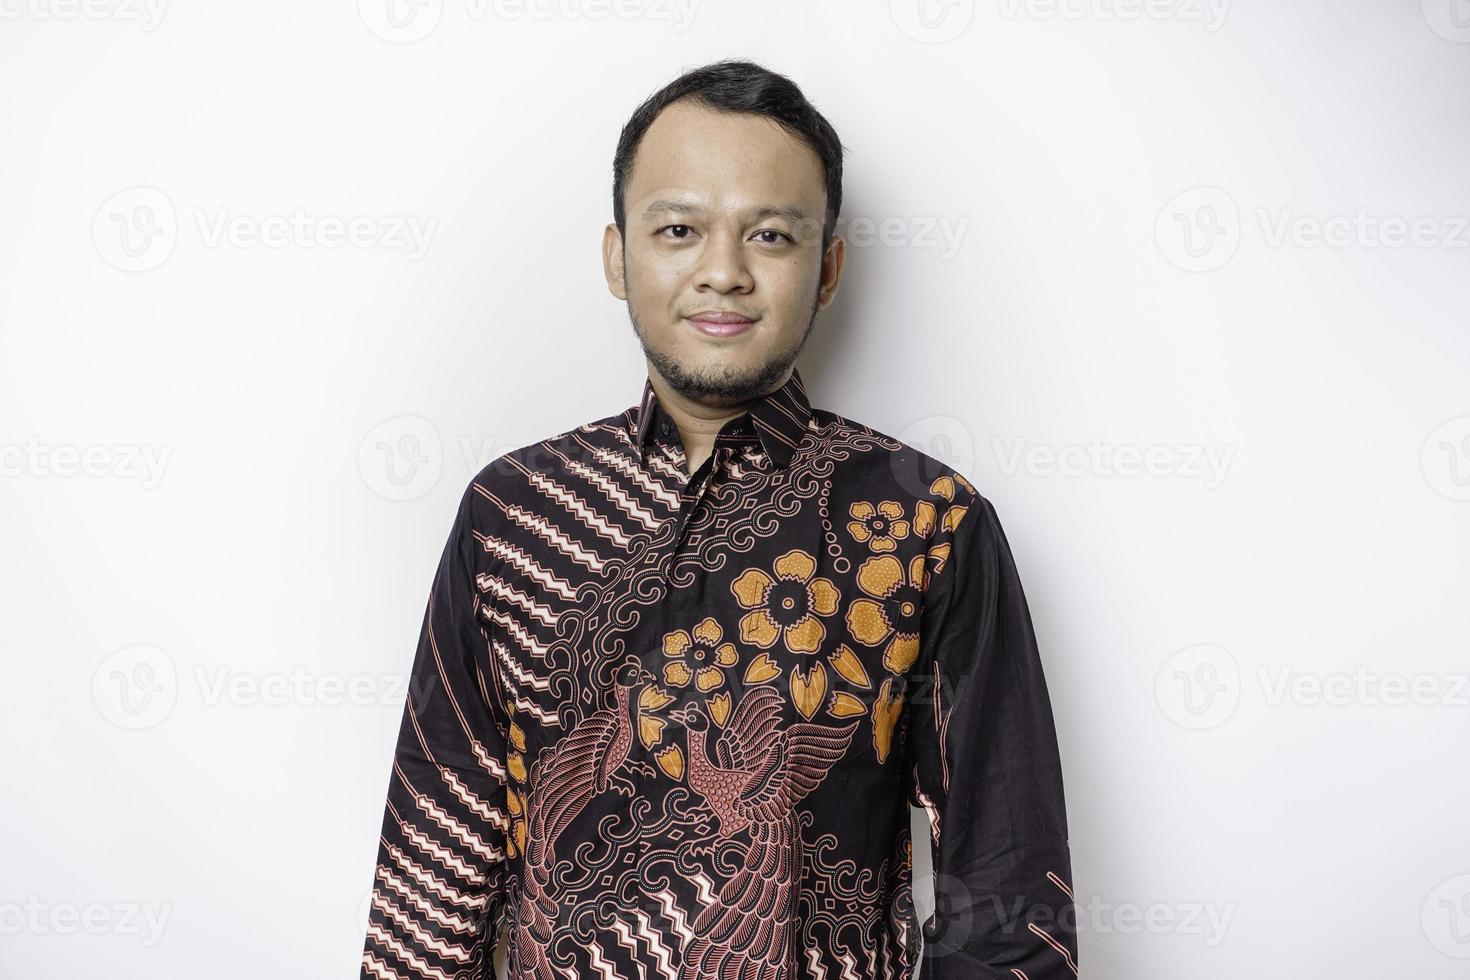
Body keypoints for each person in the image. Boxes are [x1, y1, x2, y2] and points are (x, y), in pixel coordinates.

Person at [359, 58, 1077, 980]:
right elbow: (434, 857)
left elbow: (1009, 890)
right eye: (679, 229)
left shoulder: (927, 523)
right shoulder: (514, 516)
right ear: (620, 257)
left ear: (827, 269)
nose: (724, 272)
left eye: (771, 234)